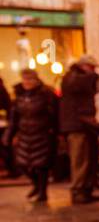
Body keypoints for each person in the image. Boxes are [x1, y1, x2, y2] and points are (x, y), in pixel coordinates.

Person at [4, 68, 59, 203]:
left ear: (36, 80)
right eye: (25, 79)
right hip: (25, 134)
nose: (27, 82)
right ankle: (36, 185)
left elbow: (54, 114)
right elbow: (14, 118)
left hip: (42, 133)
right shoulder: (19, 96)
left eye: (30, 79)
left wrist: (55, 131)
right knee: (22, 164)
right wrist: (8, 135)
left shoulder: (46, 94)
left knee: (41, 165)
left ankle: (42, 191)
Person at [60, 54, 99, 203]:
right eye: (91, 67)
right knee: (80, 160)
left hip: (85, 125)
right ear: (84, 65)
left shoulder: (78, 77)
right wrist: (97, 75)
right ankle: (78, 191)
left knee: (87, 158)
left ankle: (86, 190)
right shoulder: (72, 77)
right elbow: (79, 84)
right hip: (76, 126)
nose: (92, 71)